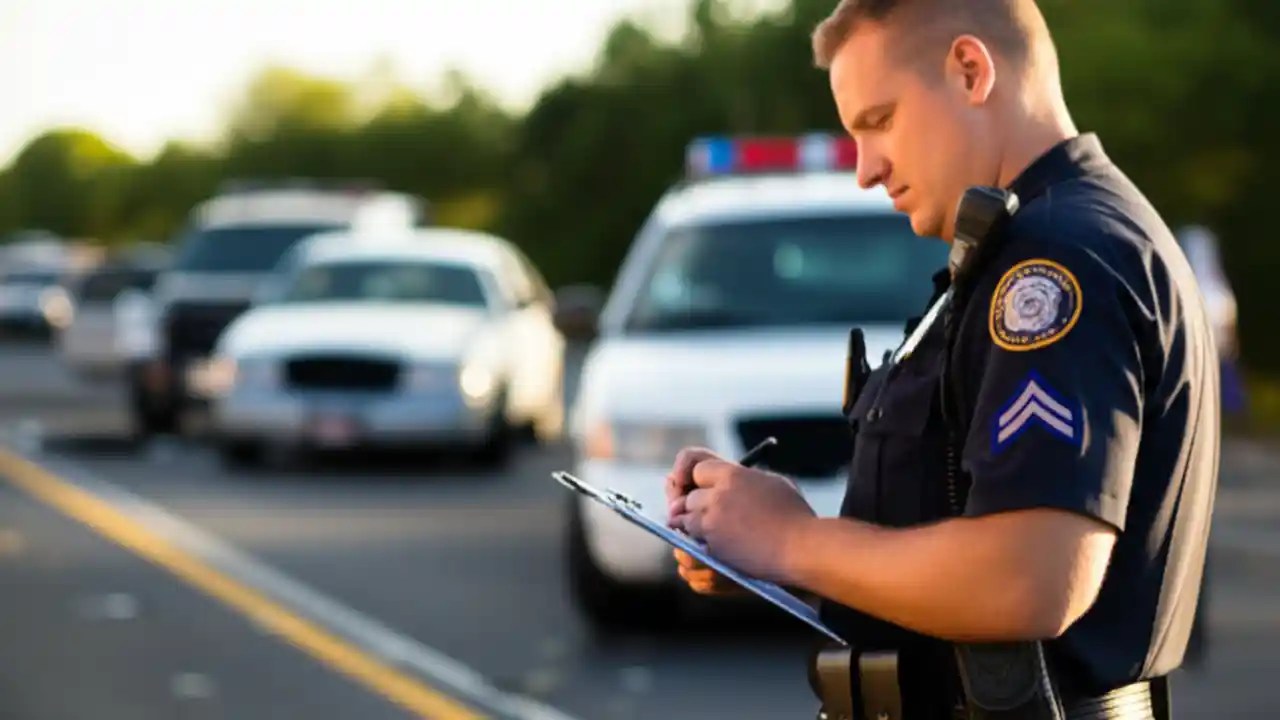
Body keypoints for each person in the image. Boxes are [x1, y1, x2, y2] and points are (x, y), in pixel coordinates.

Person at [665, 1, 1220, 718]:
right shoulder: (1021, 245)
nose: (865, 169)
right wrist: (770, 546)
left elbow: (1028, 579)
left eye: (879, 120)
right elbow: (956, 530)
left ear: (969, 69)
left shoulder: (1053, 263)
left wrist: (794, 542)